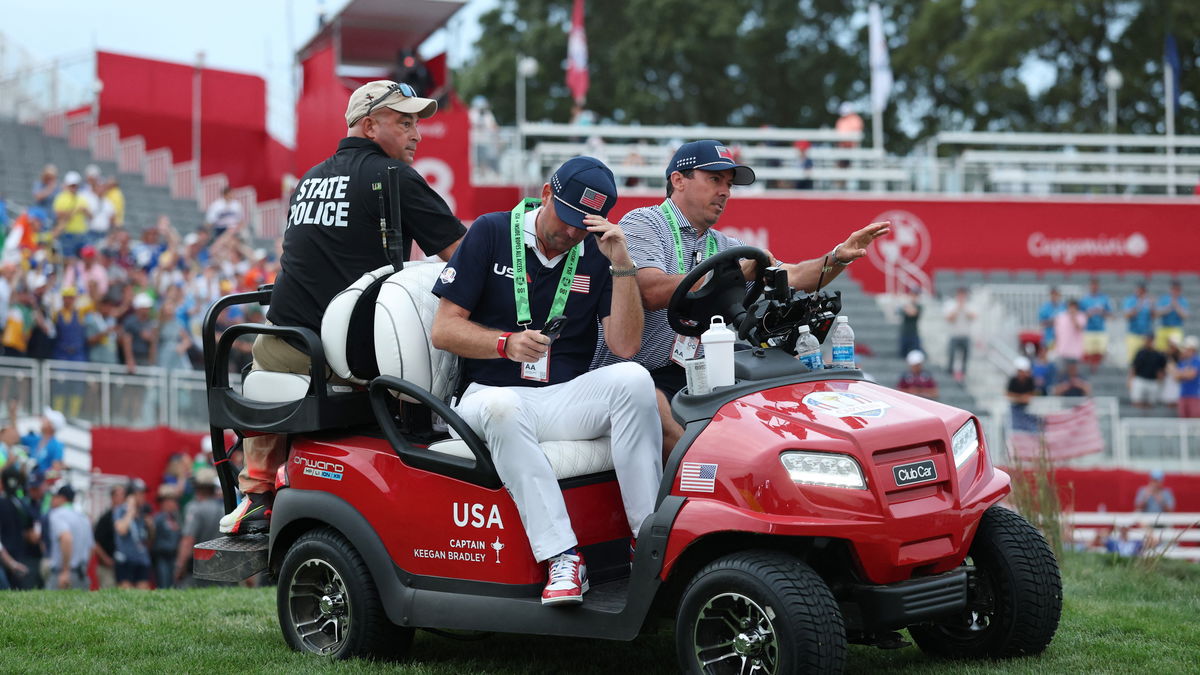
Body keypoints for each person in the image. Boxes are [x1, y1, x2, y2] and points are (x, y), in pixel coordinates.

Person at [220, 81, 466, 536]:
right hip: (350, 358)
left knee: (269, 348)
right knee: (451, 337)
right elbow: (465, 259)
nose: (417, 134)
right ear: (370, 126)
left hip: (282, 346)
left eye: (417, 123)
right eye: (404, 122)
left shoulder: (309, 178)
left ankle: (255, 493)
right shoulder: (394, 178)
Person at [431, 156, 662, 606]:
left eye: (585, 225)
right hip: (490, 394)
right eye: (569, 219)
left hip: (561, 398)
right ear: (546, 195)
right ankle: (561, 555)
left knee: (634, 380)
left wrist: (623, 264)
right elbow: (444, 330)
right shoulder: (492, 231)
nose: (573, 233)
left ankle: (647, 540)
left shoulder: (597, 249)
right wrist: (505, 344)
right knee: (505, 408)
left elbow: (626, 345)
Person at [591, 140, 889, 455]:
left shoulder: (725, 245)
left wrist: (838, 257)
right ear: (678, 180)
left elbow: (795, 276)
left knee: (775, 379)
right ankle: (711, 484)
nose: (725, 192)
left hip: (694, 369)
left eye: (729, 184)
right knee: (660, 407)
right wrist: (733, 274)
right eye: (715, 180)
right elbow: (649, 291)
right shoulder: (643, 222)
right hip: (635, 370)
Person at [176, 468, 225, 587]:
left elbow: (188, 540)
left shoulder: (194, 508)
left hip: (196, 568)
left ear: (197, 487)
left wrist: (180, 566)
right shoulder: (224, 510)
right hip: (220, 567)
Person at [45, 484, 93, 590]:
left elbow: (66, 538)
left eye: (54, 497)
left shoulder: (57, 514)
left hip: (62, 575)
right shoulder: (84, 517)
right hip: (81, 574)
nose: (51, 500)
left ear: (62, 498)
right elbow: (91, 547)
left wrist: (65, 571)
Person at [113, 478, 152, 589]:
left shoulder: (143, 513)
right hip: (125, 560)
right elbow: (121, 529)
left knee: (144, 594)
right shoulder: (121, 510)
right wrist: (130, 510)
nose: (143, 497)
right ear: (131, 496)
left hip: (141, 558)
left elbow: (146, 538)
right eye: (139, 493)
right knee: (126, 595)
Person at [92, 483, 125, 589]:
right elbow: (95, 542)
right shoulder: (105, 518)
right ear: (112, 497)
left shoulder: (126, 517)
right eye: (119, 495)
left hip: (122, 566)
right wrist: (106, 559)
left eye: (123, 495)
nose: (122, 498)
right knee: (108, 593)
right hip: (107, 566)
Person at [51, 171, 91, 259]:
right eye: (72, 185)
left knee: (83, 258)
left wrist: (85, 211)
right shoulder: (61, 197)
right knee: (68, 259)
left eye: (75, 185)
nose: (74, 188)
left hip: (80, 232)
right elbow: (58, 214)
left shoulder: (82, 198)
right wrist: (74, 211)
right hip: (67, 233)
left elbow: (90, 216)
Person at [151, 484, 182, 589]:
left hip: (174, 557)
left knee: (174, 585)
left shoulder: (176, 518)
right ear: (165, 502)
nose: (174, 504)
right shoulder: (158, 519)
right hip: (162, 557)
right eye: (172, 500)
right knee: (163, 584)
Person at [1079, 278, 1112, 373]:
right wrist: (1088, 314)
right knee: (1088, 352)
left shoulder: (1104, 298)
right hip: (1088, 329)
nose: (1094, 287)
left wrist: (1101, 312)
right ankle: (1090, 370)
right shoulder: (1085, 299)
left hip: (1100, 329)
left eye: (1096, 285)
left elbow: (1110, 314)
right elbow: (1080, 315)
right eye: (1092, 285)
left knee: (1100, 352)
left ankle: (1098, 370)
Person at [943, 287, 975, 382]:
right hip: (954, 335)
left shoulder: (969, 305)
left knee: (965, 357)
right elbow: (949, 319)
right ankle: (950, 374)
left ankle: (963, 375)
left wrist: (964, 308)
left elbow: (973, 317)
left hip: (965, 335)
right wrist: (958, 308)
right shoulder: (950, 305)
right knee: (952, 355)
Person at [1129, 333, 1166, 410]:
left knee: (1151, 402)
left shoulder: (1158, 354)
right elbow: (1134, 367)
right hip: (1140, 378)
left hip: (1153, 380)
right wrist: (1130, 380)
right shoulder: (1140, 352)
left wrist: (1160, 382)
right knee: (1137, 400)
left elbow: (1161, 370)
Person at [1123, 283, 1155, 364]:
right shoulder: (1131, 301)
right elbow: (1127, 315)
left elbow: (1153, 316)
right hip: (1133, 334)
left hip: (1145, 336)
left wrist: (1152, 306)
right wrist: (1139, 304)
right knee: (1133, 360)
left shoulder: (1149, 302)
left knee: (1146, 360)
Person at [1155, 281, 1189, 351]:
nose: (1175, 292)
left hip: (1176, 328)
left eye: (1177, 290)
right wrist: (1169, 307)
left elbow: (1185, 316)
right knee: (1161, 349)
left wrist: (1176, 306)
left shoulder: (1183, 301)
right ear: (1170, 290)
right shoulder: (1164, 299)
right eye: (1174, 289)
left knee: (1176, 349)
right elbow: (1157, 313)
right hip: (1164, 327)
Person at [1007, 356, 1038, 431]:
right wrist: (1021, 398)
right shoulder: (1013, 380)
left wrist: (1017, 398)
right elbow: (1009, 394)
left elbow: (1031, 395)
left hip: (1029, 409)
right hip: (1016, 409)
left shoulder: (1030, 380)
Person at [1052, 298, 1086, 367]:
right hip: (1063, 348)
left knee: (1073, 369)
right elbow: (1057, 332)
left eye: (1073, 307)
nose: (1072, 308)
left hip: (1075, 349)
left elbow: (1079, 328)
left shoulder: (1081, 316)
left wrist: (1073, 318)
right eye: (1070, 306)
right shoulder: (1061, 316)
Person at [1175, 335, 1200, 418]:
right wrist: (1184, 374)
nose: (1184, 350)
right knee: (1183, 420)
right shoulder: (1183, 362)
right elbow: (1176, 378)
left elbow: (1191, 375)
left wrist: (1181, 374)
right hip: (1183, 395)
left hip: (1195, 395)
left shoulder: (1197, 360)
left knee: (1194, 421)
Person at [1038, 286, 1064, 353]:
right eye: (1053, 294)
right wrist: (1053, 321)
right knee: (1050, 356)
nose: (1054, 296)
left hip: (1062, 337)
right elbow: (1041, 322)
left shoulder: (1063, 307)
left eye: (1056, 294)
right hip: (1049, 337)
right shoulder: (1044, 308)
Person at [898, 287, 922, 358]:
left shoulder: (919, 306)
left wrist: (908, 304)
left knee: (916, 354)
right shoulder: (906, 305)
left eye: (916, 295)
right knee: (903, 355)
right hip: (904, 333)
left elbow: (912, 313)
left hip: (914, 333)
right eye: (913, 294)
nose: (914, 297)